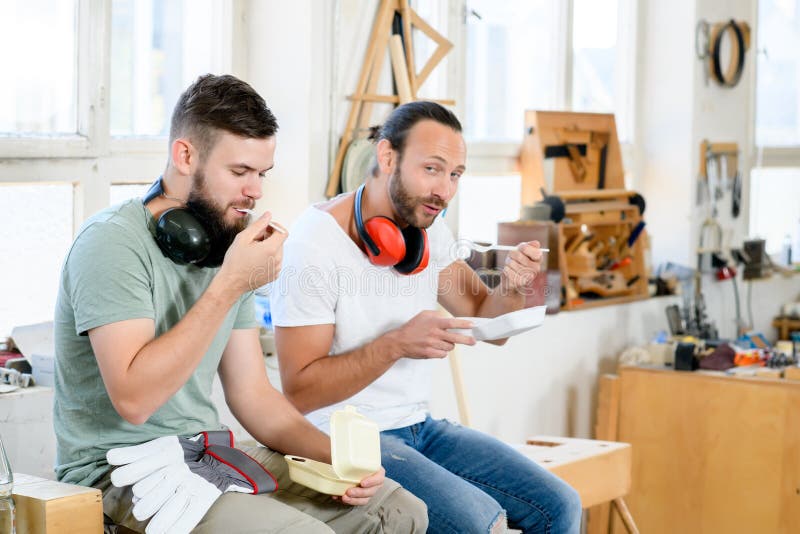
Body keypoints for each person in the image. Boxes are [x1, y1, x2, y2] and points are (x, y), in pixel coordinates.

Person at [53, 74, 427, 534]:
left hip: (201, 453)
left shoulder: (227, 243)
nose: (256, 191)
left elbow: (253, 395)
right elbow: (134, 400)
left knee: (397, 511)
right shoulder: (111, 242)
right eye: (240, 172)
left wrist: (334, 456)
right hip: (119, 471)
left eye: (261, 174)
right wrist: (230, 283)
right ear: (185, 156)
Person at [271, 101, 582, 533]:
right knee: (482, 523)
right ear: (387, 157)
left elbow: (484, 321)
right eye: (432, 169)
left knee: (561, 505)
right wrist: (395, 344)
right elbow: (300, 393)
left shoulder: (428, 228)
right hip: (342, 435)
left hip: (419, 428)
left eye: (455, 175)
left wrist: (511, 287)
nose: (445, 191)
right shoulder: (314, 245)